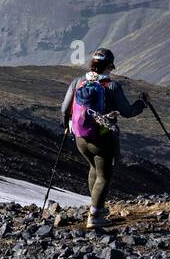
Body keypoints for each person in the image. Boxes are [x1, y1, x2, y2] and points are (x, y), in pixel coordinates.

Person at [61, 48, 148, 232]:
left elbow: (64, 108)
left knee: (93, 168)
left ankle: (97, 208)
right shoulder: (111, 86)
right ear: (109, 66)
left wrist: (66, 125)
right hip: (102, 137)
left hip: (80, 137)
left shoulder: (78, 81)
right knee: (104, 175)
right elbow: (127, 112)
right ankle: (95, 216)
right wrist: (142, 103)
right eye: (111, 67)